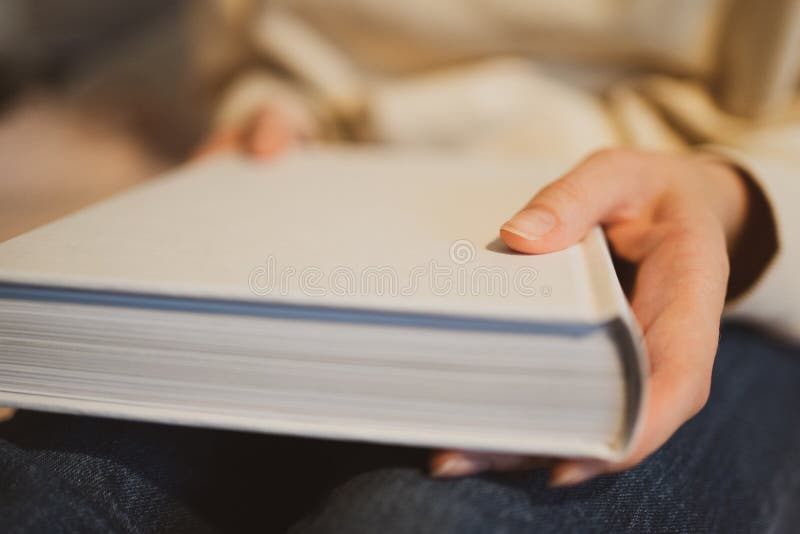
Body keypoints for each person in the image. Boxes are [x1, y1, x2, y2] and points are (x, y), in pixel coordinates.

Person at [2, 0, 800, 531]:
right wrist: (267, 107)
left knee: (416, 520)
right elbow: (255, 37)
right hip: (316, 188)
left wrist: (741, 199)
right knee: (44, 492)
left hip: (679, 234)